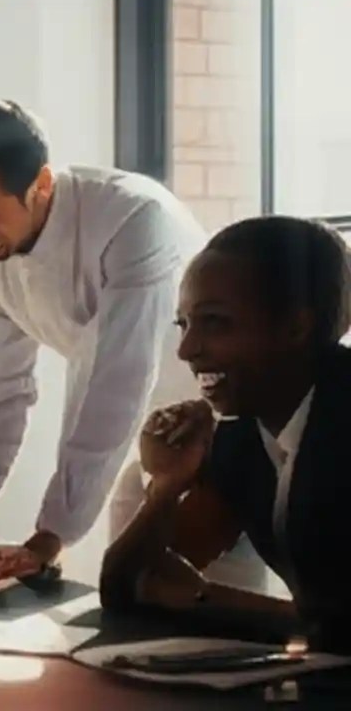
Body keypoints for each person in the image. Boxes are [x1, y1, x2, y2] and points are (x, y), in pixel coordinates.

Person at [0, 98, 264, 586]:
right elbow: (5, 389)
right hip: (153, 445)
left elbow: (116, 381)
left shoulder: (134, 219)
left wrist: (49, 537)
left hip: (231, 443)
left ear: (41, 185)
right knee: (125, 606)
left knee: (210, 622)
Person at [101, 216, 351, 651]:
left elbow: (333, 626)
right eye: (183, 324)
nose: (187, 349)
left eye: (214, 322)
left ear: (296, 327)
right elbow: (131, 588)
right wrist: (167, 485)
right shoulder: (243, 438)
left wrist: (207, 599)